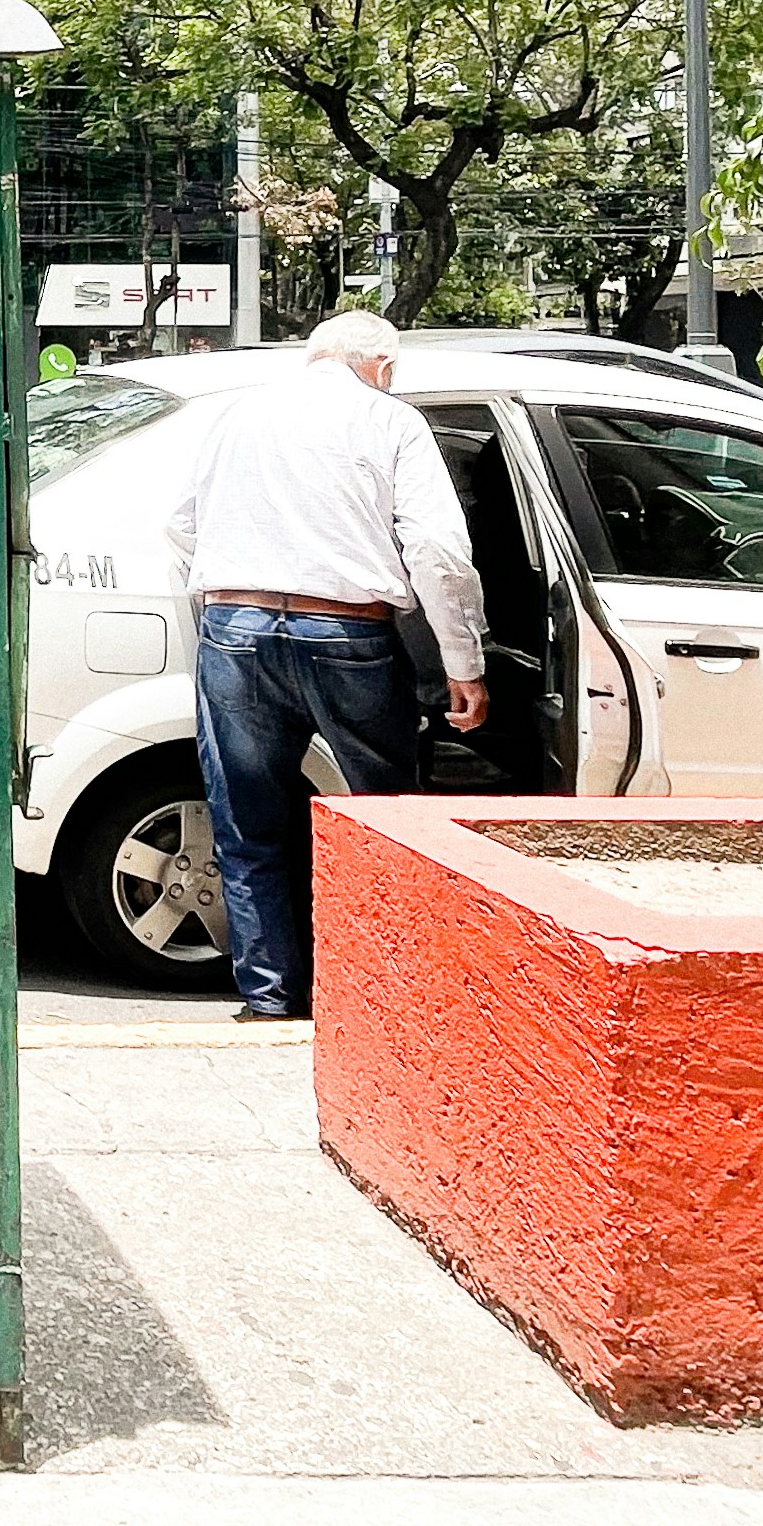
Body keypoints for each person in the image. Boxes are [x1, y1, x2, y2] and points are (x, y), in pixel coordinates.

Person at [162, 311, 488, 1021]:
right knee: (384, 819)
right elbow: (437, 551)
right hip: (348, 632)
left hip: (236, 627)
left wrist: (229, 596)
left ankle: (270, 997)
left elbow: (180, 524)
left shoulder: (234, 415)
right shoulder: (391, 421)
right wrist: (462, 663)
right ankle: (385, 992)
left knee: (247, 823)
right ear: (382, 367)